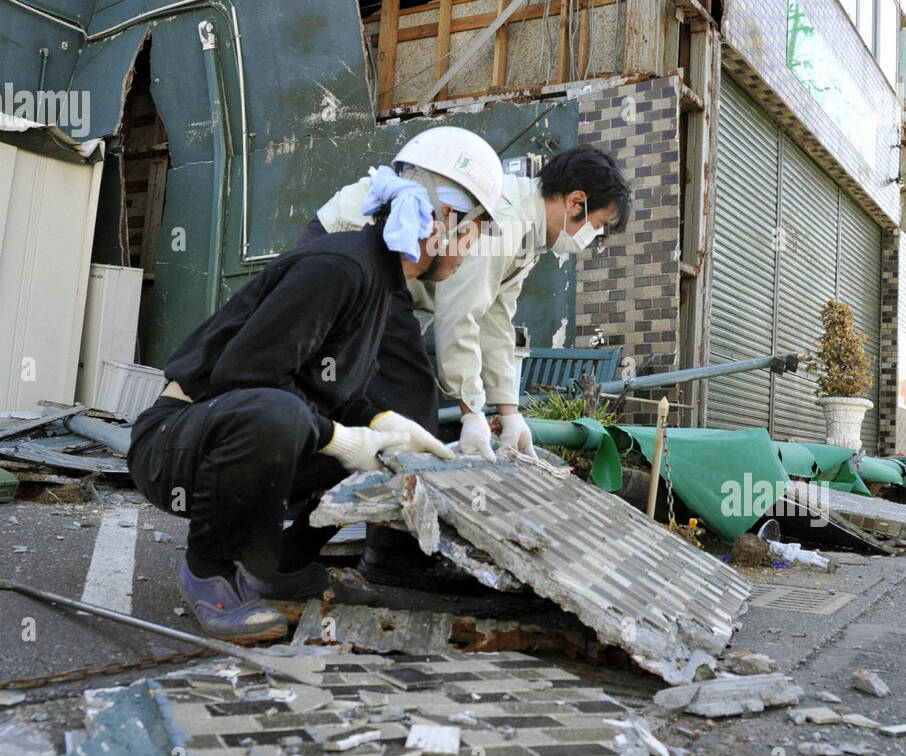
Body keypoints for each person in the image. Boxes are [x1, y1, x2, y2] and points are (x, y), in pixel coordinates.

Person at [127, 149, 501, 644]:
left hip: (229, 431)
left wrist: (385, 421)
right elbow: (245, 379)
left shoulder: (377, 282)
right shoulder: (339, 267)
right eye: (475, 232)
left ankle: (280, 565)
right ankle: (209, 571)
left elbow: (331, 391)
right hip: (176, 442)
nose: (473, 249)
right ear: (446, 220)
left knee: (394, 439)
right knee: (278, 416)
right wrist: (342, 439)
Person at [307, 143, 631, 584]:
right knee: (408, 400)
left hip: (385, 271)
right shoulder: (506, 221)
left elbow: (496, 320)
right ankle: (391, 558)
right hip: (348, 245)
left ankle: (373, 548)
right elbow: (459, 317)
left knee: (394, 402)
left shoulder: (528, 233)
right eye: (597, 226)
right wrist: (471, 411)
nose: (592, 238)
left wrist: (508, 411)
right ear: (576, 202)